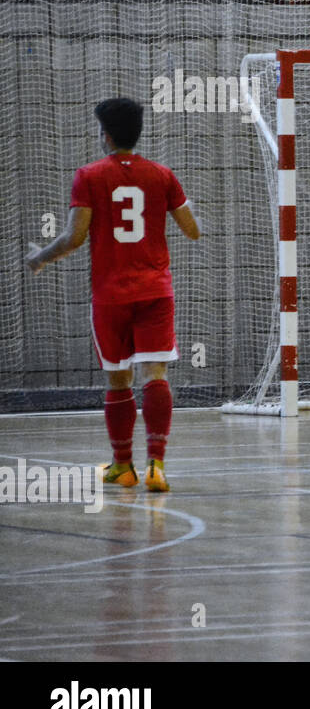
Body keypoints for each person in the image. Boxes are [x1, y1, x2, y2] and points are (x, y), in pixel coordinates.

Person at [25, 98, 201, 492]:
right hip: (156, 292)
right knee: (155, 375)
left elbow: (74, 237)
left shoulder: (88, 176)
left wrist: (40, 258)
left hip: (111, 296)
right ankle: (157, 463)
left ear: (105, 135)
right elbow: (192, 229)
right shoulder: (162, 175)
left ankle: (123, 465)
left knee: (119, 380)